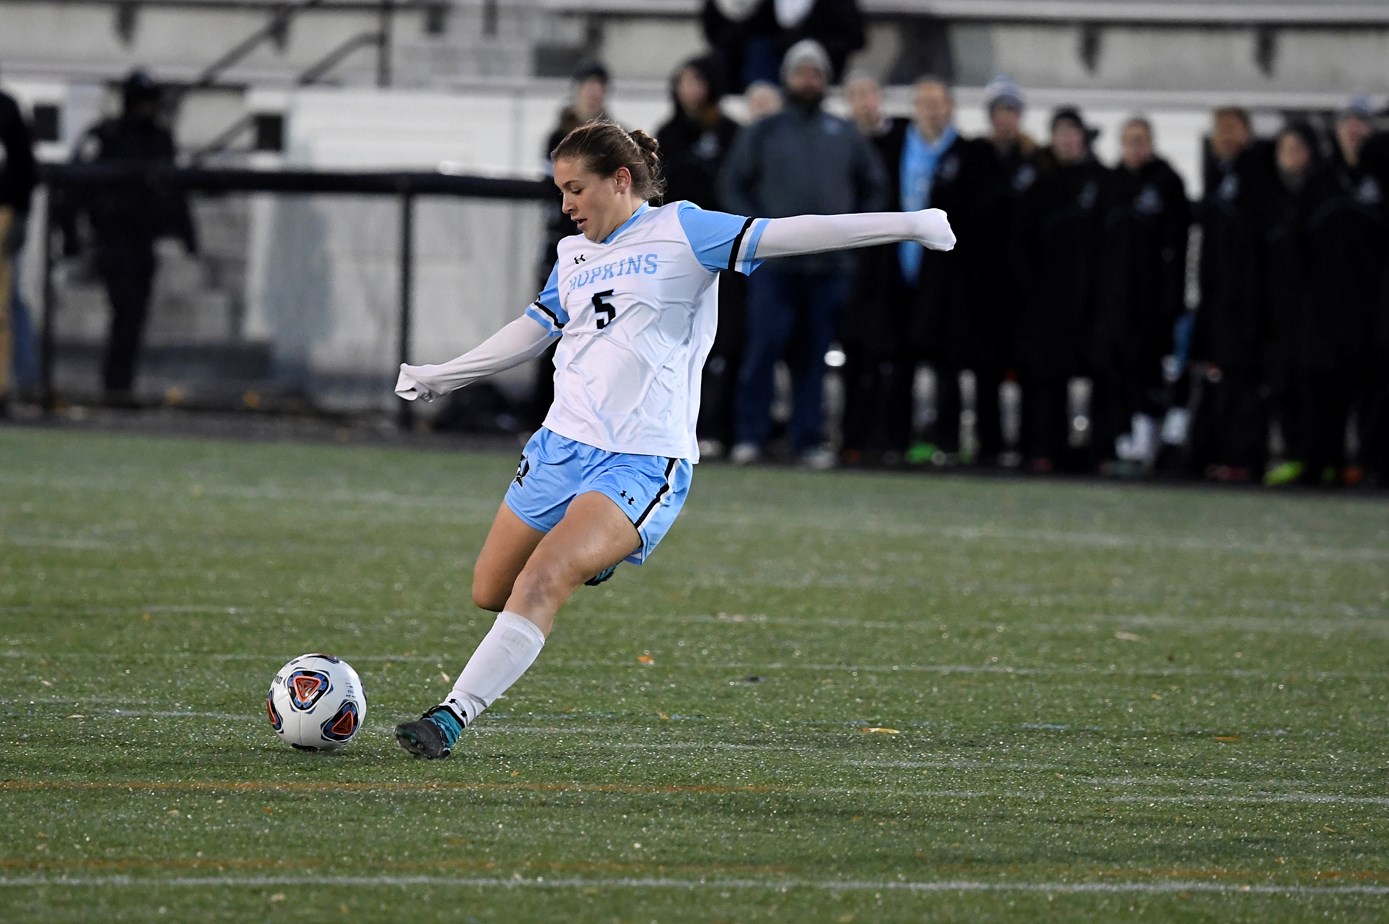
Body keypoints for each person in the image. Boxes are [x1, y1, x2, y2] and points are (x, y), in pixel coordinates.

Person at [389, 121, 955, 759]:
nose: (566, 206)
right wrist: (443, 376)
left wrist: (910, 222)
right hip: (557, 446)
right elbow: (534, 328)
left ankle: (452, 716)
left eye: (575, 189)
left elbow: (795, 231)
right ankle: (592, 556)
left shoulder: (684, 230)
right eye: (560, 192)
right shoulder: (572, 254)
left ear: (621, 180)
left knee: (543, 578)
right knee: (491, 589)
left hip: (640, 458)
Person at [719, 39, 886, 468]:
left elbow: (875, 185)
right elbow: (733, 184)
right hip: (775, 267)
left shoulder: (844, 133)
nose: (808, 80)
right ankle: (751, 435)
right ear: (788, 77)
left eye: (816, 73)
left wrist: (853, 234)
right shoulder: (765, 130)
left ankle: (807, 439)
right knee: (763, 352)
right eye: (801, 72)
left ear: (825, 80)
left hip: (829, 268)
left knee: (814, 360)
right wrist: (760, 234)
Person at [62, 69, 197, 407]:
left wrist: (187, 236)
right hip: (112, 239)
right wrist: (71, 236)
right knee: (124, 310)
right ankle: (115, 384)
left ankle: (120, 384)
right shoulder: (107, 136)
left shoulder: (158, 139)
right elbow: (74, 188)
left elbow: (174, 193)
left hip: (142, 241)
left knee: (134, 315)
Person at [1010, 107, 1109, 472]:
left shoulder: (1101, 181)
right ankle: (1043, 449)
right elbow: (1020, 243)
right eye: (1060, 134)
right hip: (1045, 302)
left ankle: (1094, 452)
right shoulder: (1038, 183)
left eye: (1073, 133)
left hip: (1089, 301)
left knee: (1094, 374)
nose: (1067, 141)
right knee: (1046, 379)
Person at [655, 54, 745, 458]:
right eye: (684, 81)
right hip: (676, 255)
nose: (690, 90)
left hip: (722, 252)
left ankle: (717, 427)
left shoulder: (731, 133)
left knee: (723, 343)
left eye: (697, 81)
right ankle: (670, 428)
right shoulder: (665, 134)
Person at [1090, 117, 1190, 475]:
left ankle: (1149, 446)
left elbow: (1179, 247)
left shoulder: (1167, 183)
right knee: (1115, 375)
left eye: (1141, 140)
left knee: (1149, 376)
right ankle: (1122, 443)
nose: (1135, 147)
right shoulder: (1108, 184)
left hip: (1153, 305)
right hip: (1113, 304)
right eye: (1129, 141)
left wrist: (1172, 301)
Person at [1297, 99, 1386, 486]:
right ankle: (1322, 463)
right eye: (1348, 124)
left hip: (1373, 306)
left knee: (1373, 392)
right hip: (1325, 307)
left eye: (1361, 125)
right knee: (1324, 391)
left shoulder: (1382, 178)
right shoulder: (1318, 181)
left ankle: (1373, 465)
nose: (1354, 131)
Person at [1187, 106, 1275, 481]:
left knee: (1244, 384)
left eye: (1232, 128)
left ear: (1247, 134)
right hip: (1219, 303)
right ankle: (1221, 455)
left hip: (1248, 303)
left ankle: (1244, 458)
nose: (1225, 136)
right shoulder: (1216, 176)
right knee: (1222, 380)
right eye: (1220, 129)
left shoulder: (1257, 176)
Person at [529, 60, 616, 428]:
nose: (594, 91)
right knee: (549, 326)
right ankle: (543, 413)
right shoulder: (558, 138)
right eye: (588, 84)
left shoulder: (614, 138)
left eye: (600, 85)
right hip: (564, 245)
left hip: (600, 247)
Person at [1261, 124, 1321, 486]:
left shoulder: (1320, 191)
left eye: (1298, 147)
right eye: (1285, 148)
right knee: (1281, 386)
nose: (1292, 154)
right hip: (1277, 310)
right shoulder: (1269, 195)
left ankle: (1314, 458)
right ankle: (1293, 455)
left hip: (1314, 311)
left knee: (1313, 388)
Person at [701, 0, 865, 93]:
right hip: (775, 66)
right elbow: (751, 31)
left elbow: (856, 38)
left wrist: (810, 44)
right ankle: (761, 96)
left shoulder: (836, 4)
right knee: (758, 48)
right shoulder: (771, 5)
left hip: (821, 63)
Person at [0, 79, 36, 417]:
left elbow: (24, 166)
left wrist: (21, 217)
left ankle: (17, 385)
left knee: (6, 307)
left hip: (3, 217)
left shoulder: (7, 108)